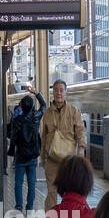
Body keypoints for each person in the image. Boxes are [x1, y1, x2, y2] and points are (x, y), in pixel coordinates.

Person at [40, 79, 84, 209]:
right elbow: (44, 136)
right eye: (56, 90)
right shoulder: (47, 113)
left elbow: (80, 131)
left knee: (69, 194)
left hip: (68, 161)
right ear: (52, 92)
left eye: (61, 90)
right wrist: (42, 157)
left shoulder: (73, 111)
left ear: (66, 92)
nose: (58, 93)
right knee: (52, 193)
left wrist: (81, 148)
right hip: (52, 160)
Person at [6, 90, 42, 212]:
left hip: (20, 156)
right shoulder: (36, 117)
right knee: (32, 183)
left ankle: (19, 206)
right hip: (32, 156)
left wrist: (13, 148)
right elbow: (44, 106)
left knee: (18, 182)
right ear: (32, 106)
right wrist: (36, 93)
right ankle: (30, 206)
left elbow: (13, 138)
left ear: (21, 106)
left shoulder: (17, 120)